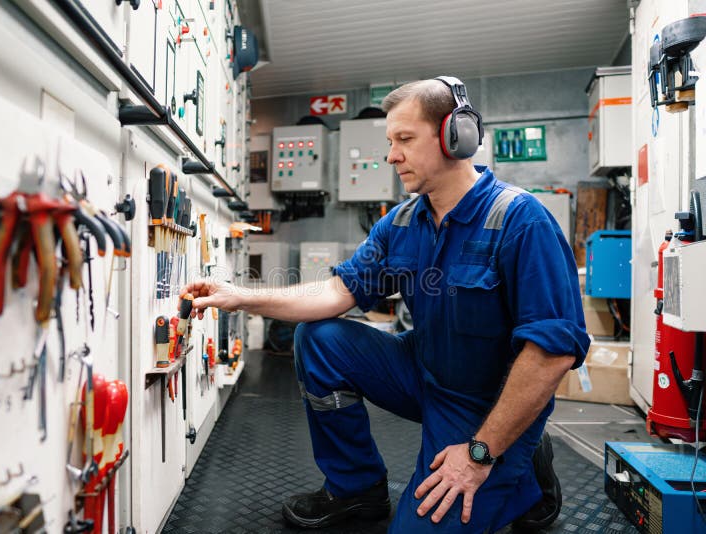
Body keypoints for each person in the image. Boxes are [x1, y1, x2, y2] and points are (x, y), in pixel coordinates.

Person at [180, 77, 589, 532]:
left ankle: (523, 460)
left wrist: (479, 453)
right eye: (390, 142)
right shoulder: (402, 223)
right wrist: (240, 297)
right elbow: (336, 293)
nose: (391, 156)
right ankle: (356, 488)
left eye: (404, 139)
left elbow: (551, 354)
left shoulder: (520, 220)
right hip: (423, 371)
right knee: (320, 339)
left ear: (455, 136)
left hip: (485, 405)